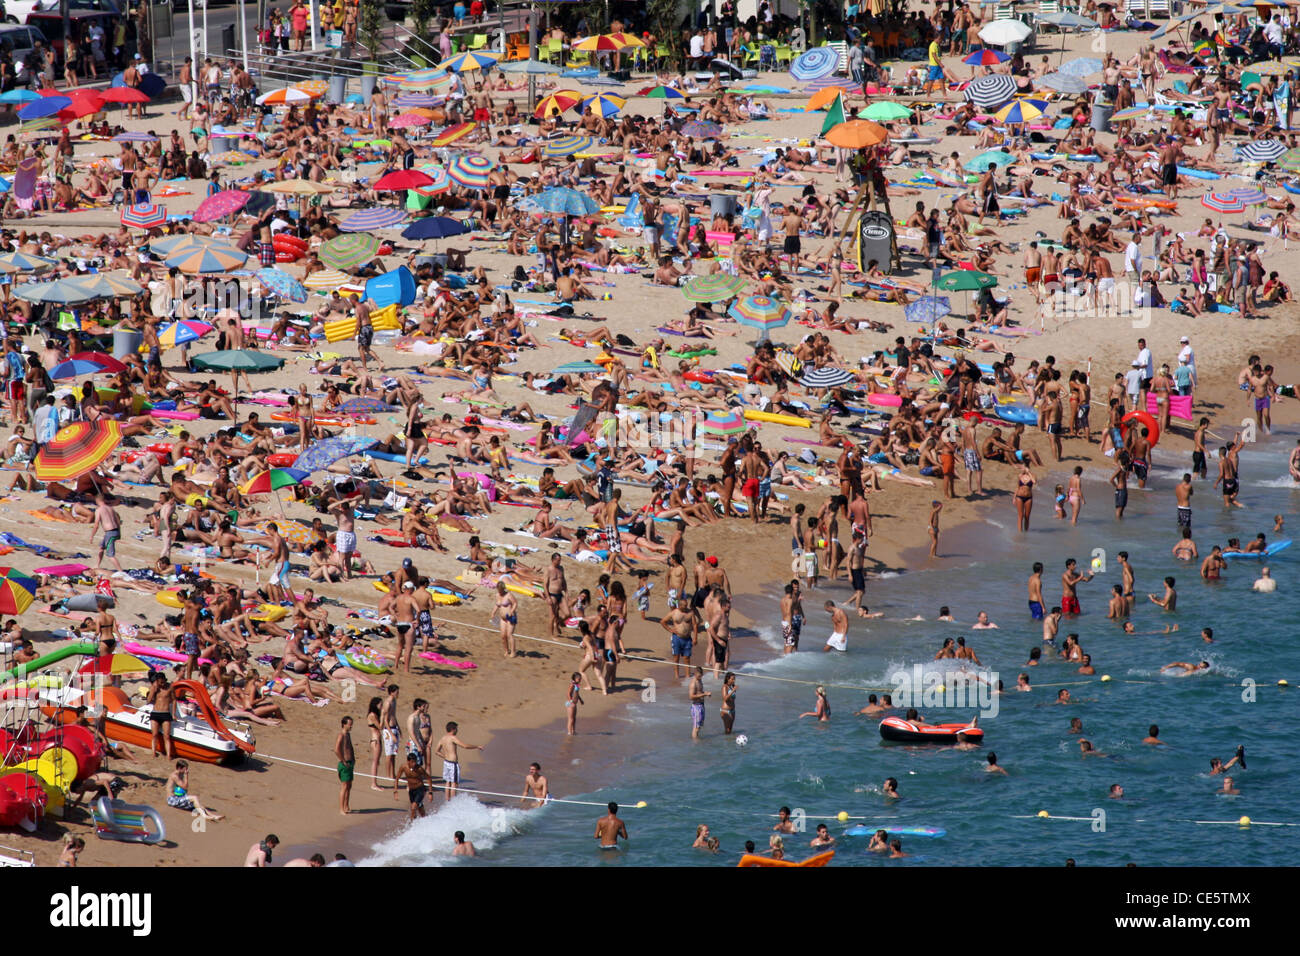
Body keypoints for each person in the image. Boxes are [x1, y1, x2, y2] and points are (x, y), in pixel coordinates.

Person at [435, 720, 483, 801]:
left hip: (446, 763)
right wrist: (477, 746)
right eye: (456, 729)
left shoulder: (443, 738)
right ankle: (453, 802)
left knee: (448, 782)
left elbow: (436, 751)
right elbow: (465, 746)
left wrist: (445, 756)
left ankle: (447, 800)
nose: (457, 731)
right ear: (453, 729)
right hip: (453, 764)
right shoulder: (453, 738)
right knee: (454, 783)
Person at [334, 716, 355, 814]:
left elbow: (350, 748)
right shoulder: (341, 735)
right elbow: (336, 749)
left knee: (349, 786)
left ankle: (346, 806)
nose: (351, 726)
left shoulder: (348, 735)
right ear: (344, 724)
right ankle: (341, 808)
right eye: (349, 724)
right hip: (344, 763)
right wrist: (343, 761)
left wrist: (353, 759)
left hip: (350, 763)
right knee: (344, 786)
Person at [688, 665, 710, 739]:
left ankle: (696, 740)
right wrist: (704, 694)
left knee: (699, 726)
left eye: (701, 676)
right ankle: (695, 743)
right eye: (698, 676)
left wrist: (705, 693)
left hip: (701, 705)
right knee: (696, 727)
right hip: (696, 706)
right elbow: (691, 696)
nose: (700, 677)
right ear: (695, 674)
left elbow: (700, 692)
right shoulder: (693, 683)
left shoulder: (700, 680)